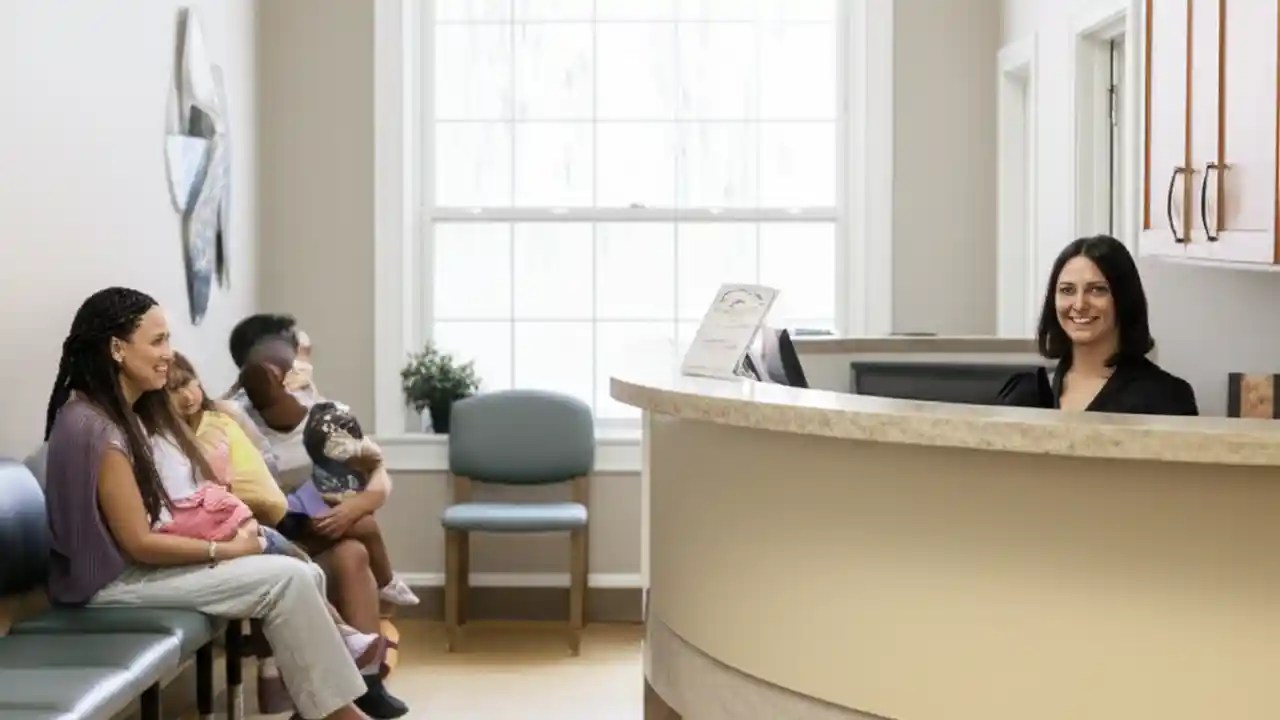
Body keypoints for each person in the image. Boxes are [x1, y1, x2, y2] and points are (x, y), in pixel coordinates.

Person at [42, 287, 374, 720]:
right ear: (118, 349)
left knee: (300, 572)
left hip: (131, 572)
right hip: (110, 587)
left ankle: (329, 708)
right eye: (157, 341)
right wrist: (227, 549)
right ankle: (340, 715)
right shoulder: (97, 429)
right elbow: (140, 543)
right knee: (288, 578)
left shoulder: (110, 416)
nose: (168, 353)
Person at [166, 351, 408, 717]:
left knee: (353, 551)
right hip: (256, 528)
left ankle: (366, 684)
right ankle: (328, 691)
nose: (293, 377)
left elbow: (373, 467)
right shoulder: (225, 417)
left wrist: (351, 506)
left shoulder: (304, 412)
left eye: (188, 383)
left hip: (292, 515)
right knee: (330, 548)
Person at [998, 235, 1198, 415]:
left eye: (1097, 290)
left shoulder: (1165, 398)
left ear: (1124, 299)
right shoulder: (1025, 395)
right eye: (1067, 290)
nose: (1079, 304)